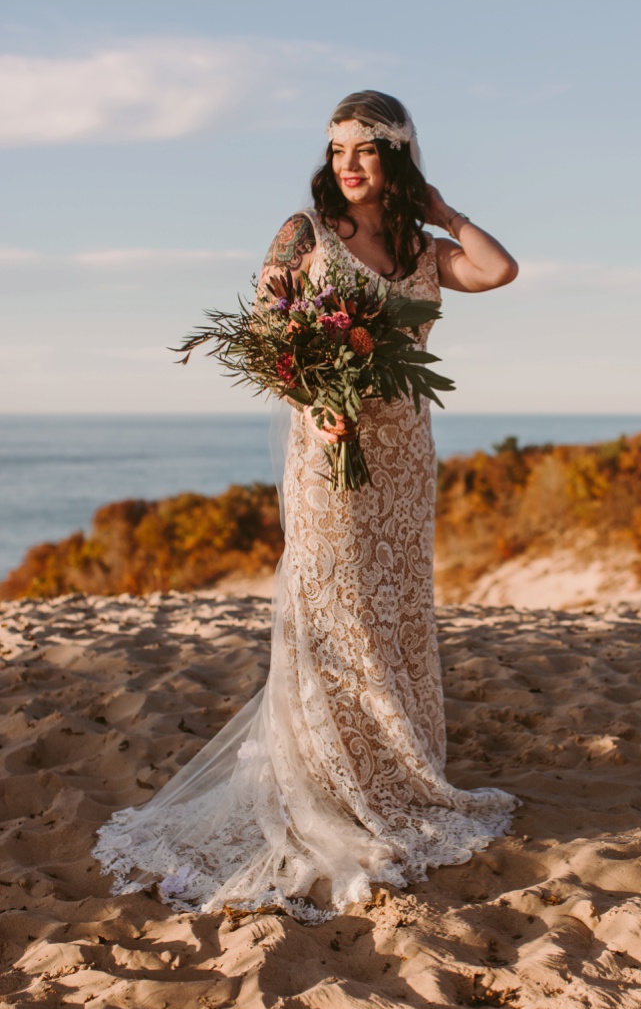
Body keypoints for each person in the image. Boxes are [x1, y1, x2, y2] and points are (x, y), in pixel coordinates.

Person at [94, 90, 523, 922]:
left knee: (393, 606)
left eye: (365, 149)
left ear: (397, 155)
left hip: (403, 453)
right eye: (336, 151)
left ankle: (395, 774)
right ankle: (326, 777)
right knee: (334, 604)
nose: (349, 165)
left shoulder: (422, 245)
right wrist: (315, 396)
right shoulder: (305, 234)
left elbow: (499, 269)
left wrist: (445, 211)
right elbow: (265, 330)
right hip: (329, 451)